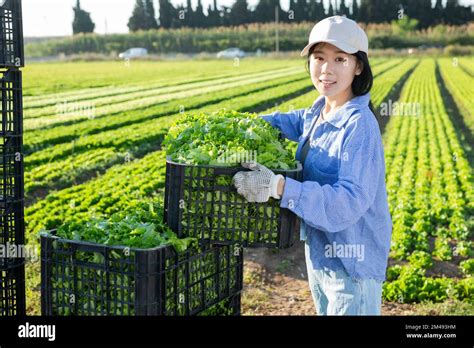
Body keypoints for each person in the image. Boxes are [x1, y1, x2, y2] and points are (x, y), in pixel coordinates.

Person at [232, 16, 392, 315]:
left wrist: (279, 186)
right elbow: (285, 121)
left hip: (351, 260)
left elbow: (349, 201)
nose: (326, 69)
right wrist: (238, 125)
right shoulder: (320, 110)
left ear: (358, 67)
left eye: (339, 59)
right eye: (319, 58)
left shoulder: (359, 126)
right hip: (321, 251)